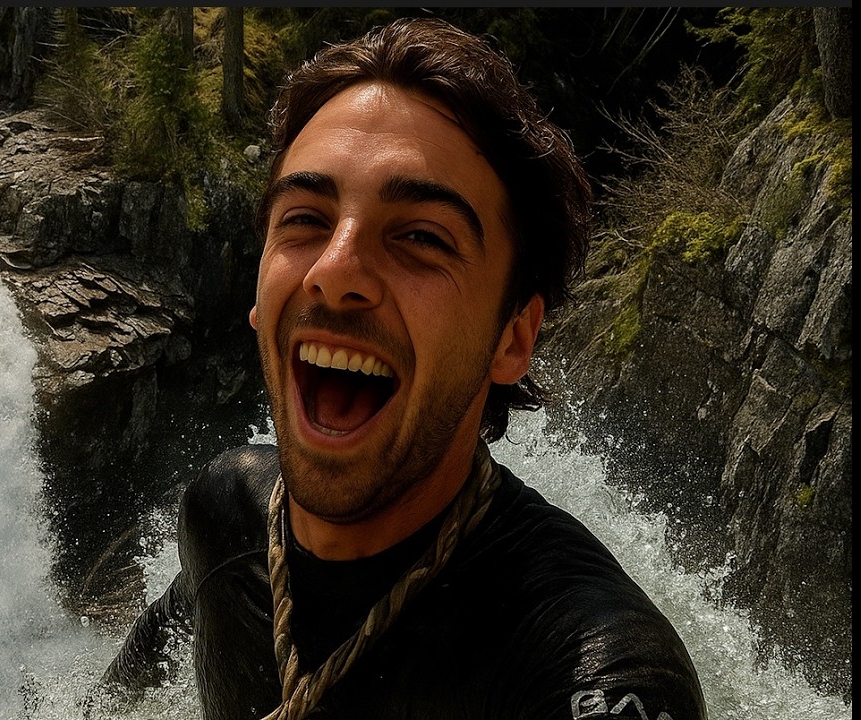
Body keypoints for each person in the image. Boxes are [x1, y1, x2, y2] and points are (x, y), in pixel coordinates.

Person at [97, 16, 706, 720]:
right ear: (258, 301)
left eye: (420, 236)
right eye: (304, 219)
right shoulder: (226, 509)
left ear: (514, 337)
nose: (333, 271)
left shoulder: (590, 661)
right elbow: (170, 622)